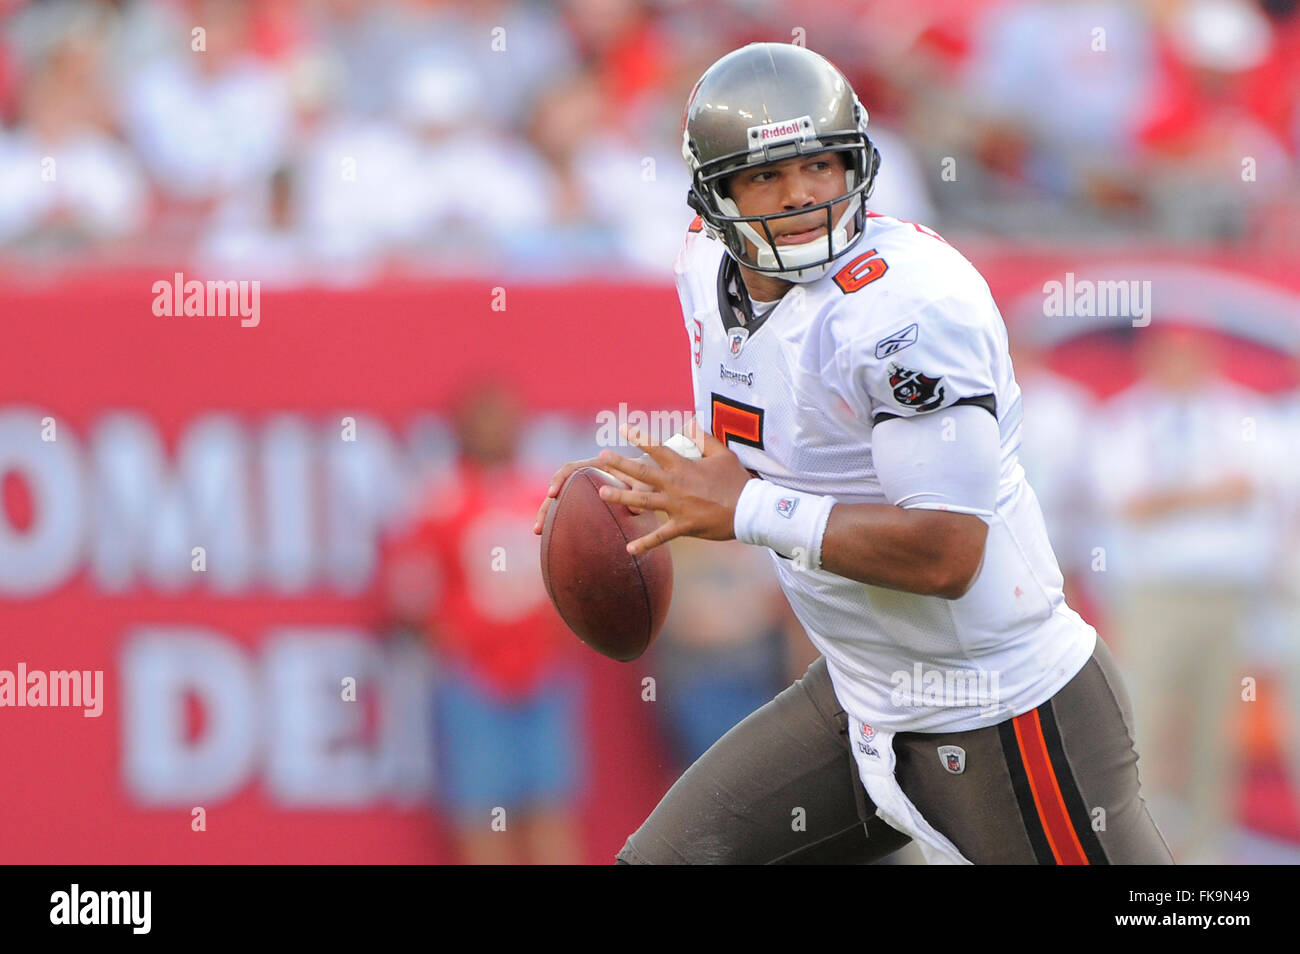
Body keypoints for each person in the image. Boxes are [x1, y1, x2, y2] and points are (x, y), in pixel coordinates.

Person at [533, 43, 1173, 864]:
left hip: (1004, 713)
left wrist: (744, 512)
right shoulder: (703, 260)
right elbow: (751, 446)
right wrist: (650, 480)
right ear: (714, 196)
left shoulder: (908, 307)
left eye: (821, 165)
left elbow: (950, 552)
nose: (801, 194)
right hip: (861, 697)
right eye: (766, 176)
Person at [386, 382, 584, 865]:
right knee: (482, 812)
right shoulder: (441, 501)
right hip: (474, 680)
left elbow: (579, 576)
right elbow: (407, 587)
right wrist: (446, 637)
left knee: (550, 809)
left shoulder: (548, 493)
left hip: (542, 672)